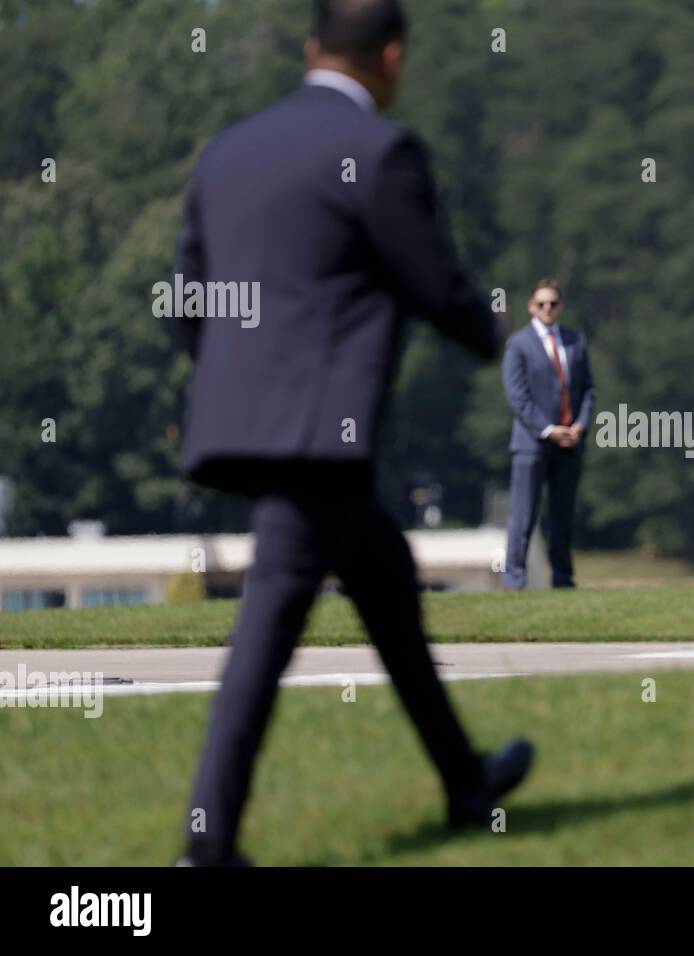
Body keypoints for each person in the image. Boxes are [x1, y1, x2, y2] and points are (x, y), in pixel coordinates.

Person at [173, 0, 532, 866]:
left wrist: (234, 381)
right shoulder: (380, 153)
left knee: (384, 574)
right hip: (316, 436)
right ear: (393, 57)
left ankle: (464, 780)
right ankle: (206, 845)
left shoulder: (229, 149)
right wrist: (504, 340)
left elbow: (189, 293)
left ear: (310, 49)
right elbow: (435, 283)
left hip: (248, 420)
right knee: (268, 621)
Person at [501, 279, 596, 590]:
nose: (547, 309)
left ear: (561, 306)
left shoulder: (575, 341)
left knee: (562, 518)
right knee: (523, 517)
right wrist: (549, 430)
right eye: (541, 304)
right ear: (531, 307)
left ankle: (563, 580)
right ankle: (514, 580)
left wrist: (579, 425)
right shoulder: (519, 344)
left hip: (570, 443)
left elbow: (588, 391)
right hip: (532, 444)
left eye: (553, 303)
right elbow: (518, 397)